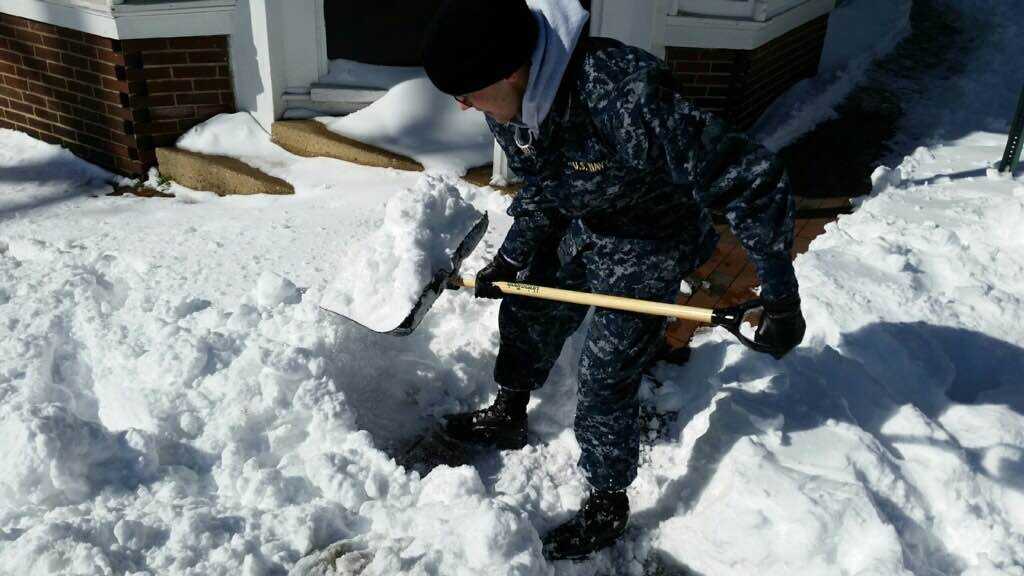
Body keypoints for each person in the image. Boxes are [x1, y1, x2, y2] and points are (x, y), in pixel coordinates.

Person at [421, 0, 806, 561]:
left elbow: (755, 179)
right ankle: (508, 413)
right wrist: (512, 257)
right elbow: (544, 185)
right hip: (583, 221)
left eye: (466, 93)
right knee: (526, 311)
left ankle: (607, 499)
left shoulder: (621, 96)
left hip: (649, 237)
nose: (462, 107)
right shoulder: (506, 102)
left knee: (605, 376)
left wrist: (779, 297)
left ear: (510, 70)